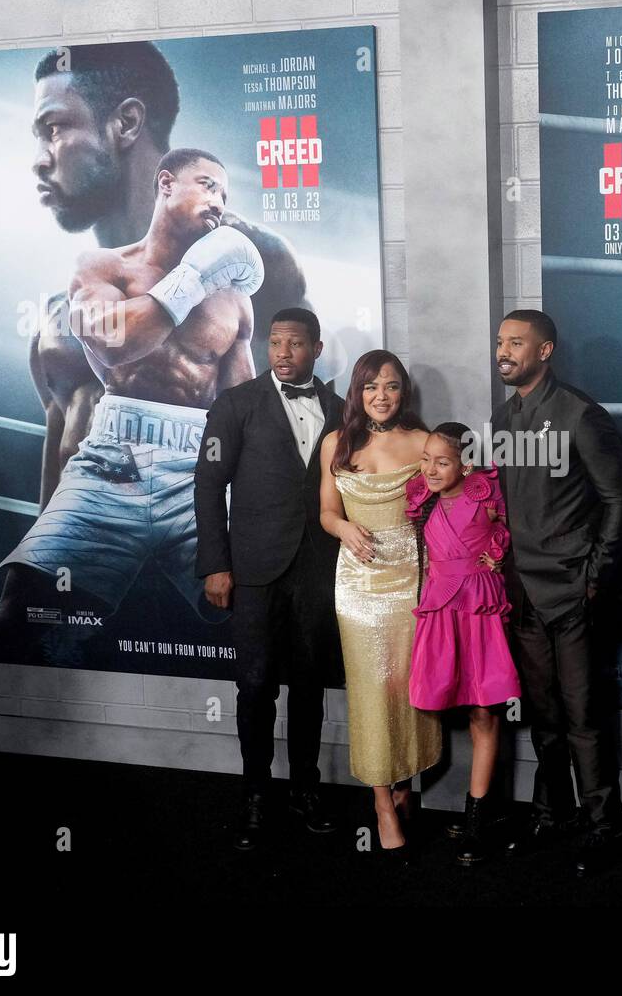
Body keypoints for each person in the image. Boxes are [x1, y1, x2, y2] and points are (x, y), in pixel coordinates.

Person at [0, 149, 261, 665]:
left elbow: (239, 409)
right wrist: (192, 276)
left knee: (263, 607)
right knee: (16, 615)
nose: (218, 202)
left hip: (198, 470)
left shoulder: (234, 301)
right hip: (111, 464)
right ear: (165, 184)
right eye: (206, 185)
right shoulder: (101, 267)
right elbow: (116, 344)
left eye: (225, 193)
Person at [28, 41, 309, 502]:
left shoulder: (258, 267)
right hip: (97, 557)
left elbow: (294, 430)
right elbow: (57, 481)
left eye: (53, 128)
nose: (39, 159)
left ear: (127, 123)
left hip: (203, 544)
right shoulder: (60, 319)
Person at [194, 308, 344, 851]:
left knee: (309, 687)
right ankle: (256, 794)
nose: (282, 352)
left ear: (316, 349)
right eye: (276, 342)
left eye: (295, 343)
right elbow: (208, 488)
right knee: (255, 686)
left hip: (317, 572)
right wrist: (215, 563)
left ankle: (306, 789)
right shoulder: (235, 404)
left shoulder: (340, 411)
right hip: (253, 571)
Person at [493, 309, 622, 878]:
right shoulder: (502, 418)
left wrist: (594, 573)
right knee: (545, 717)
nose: (504, 351)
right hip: (522, 590)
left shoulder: (581, 414)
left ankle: (603, 823)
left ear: (545, 351)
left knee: (583, 716)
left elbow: (620, 499)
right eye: (501, 342)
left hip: (572, 590)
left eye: (517, 342)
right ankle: (550, 813)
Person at [318, 350, 441, 862]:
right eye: (372, 387)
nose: (382, 396)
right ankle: (381, 806)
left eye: (391, 386)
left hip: (414, 581)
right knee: (371, 690)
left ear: (403, 392)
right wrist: (344, 527)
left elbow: (454, 502)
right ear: (358, 392)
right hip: (359, 586)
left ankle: (408, 783)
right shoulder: (336, 442)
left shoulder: (423, 441)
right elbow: (326, 511)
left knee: (410, 685)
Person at [405, 422, 521, 866]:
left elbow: (512, 531)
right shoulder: (420, 495)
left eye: (443, 461)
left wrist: (498, 550)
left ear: (465, 463)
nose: (431, 469)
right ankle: (480, 812)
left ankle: (477, 819)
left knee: (484, 711)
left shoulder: (485, 492)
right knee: (442, 701)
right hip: (440, 608)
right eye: (427, 458)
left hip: (477, 612)